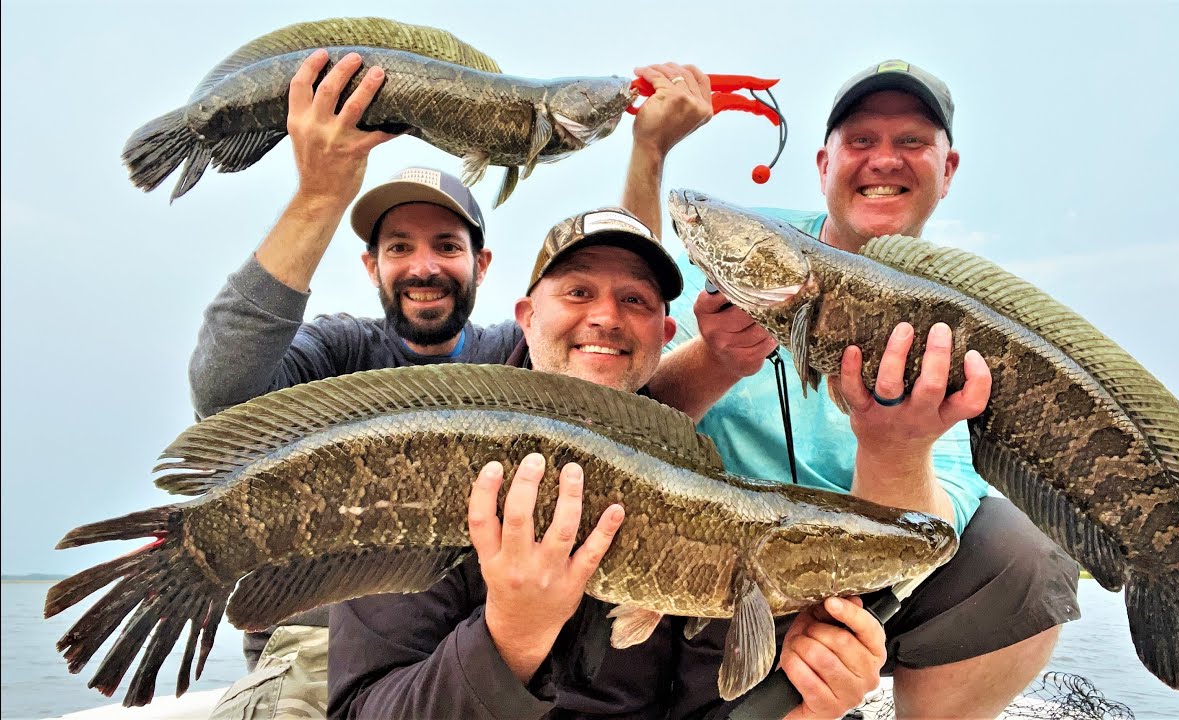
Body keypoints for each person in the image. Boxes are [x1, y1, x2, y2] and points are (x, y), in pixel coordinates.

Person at [191, 49, 716, 719]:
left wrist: (648, 154)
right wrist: (320, 193)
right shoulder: (339, 349)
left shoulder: (513, 364)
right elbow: (223, 395)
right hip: (317, 630)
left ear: (481, 262)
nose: (423, 265)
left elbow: (608, 361)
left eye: (445, 244)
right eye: (399, 246)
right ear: (371, 264)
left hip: (464, 625)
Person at [328, 207, 886, 720]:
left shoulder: (706, 490)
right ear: (525, 317)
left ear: (664, 335)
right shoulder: (429, 464)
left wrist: (807, 704)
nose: (605, 317)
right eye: (577, 291)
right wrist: (512, 637)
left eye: (635, 300)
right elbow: (362, 708)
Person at [648, 60, 1082, 718]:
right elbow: (621, 400)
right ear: (823, 165)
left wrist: (897, 448)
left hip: (856, 580)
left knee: (1026, 556)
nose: (884, 160)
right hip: (713, 567)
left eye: (911, 142)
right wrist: (714, 358)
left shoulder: (957, 325)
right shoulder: (728, 253)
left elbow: (921, 537)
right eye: (860, 141)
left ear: (948, 168)